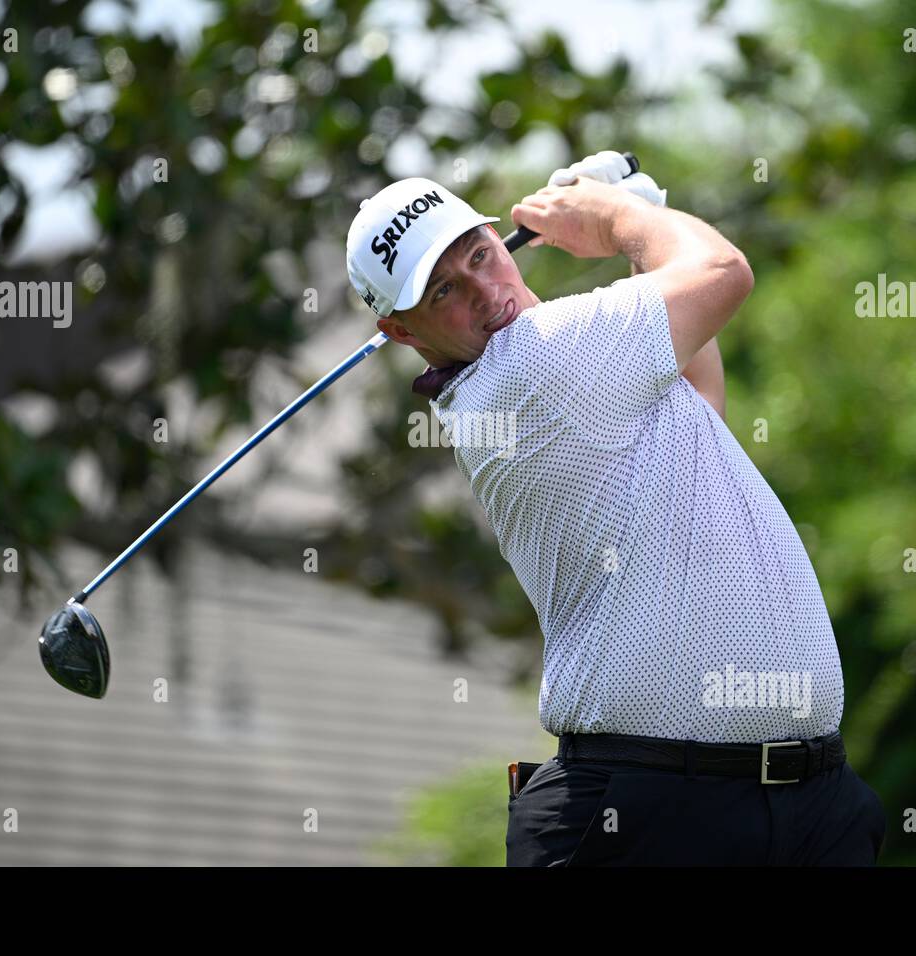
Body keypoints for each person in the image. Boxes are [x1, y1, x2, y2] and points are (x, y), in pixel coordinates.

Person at [345, 151, 886, 866]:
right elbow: (723, 274)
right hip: (647, 812)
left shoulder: (579, 367)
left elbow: (699, 399)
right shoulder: (525, 367)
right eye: (443, 290)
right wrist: (619, 217)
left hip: (799, 806)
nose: (481, 290)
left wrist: (643, 223)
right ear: (403, 333)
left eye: (480, 255)